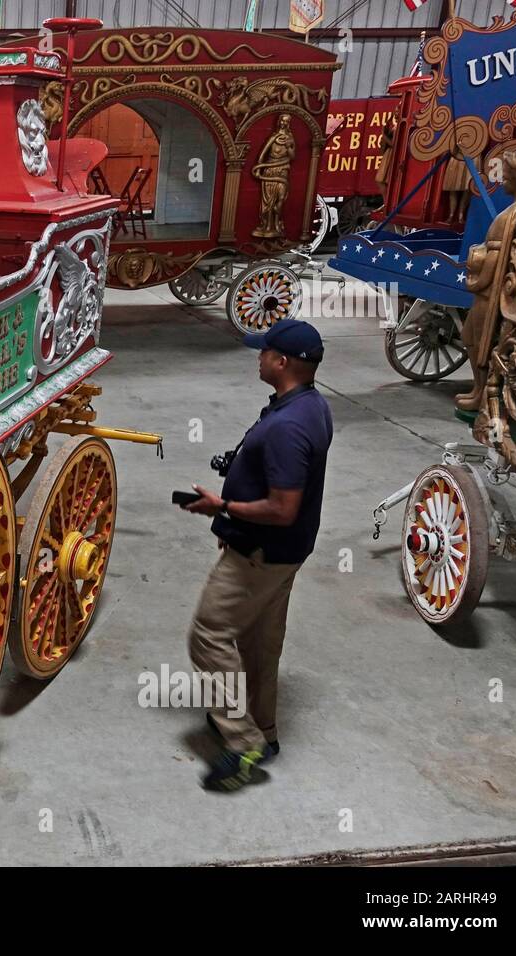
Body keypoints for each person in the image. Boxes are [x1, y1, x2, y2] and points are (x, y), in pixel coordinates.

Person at [180, 319, 333, 791]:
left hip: (260, 552)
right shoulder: (310, 405)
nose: (259, 357)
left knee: (208, 636)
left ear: (282, 362)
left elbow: (283, 508)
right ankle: (263, 730)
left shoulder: (288, 426)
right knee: (260, 641)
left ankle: (242, 741)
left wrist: (222, 506)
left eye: (264, 352)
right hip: (286, 554)